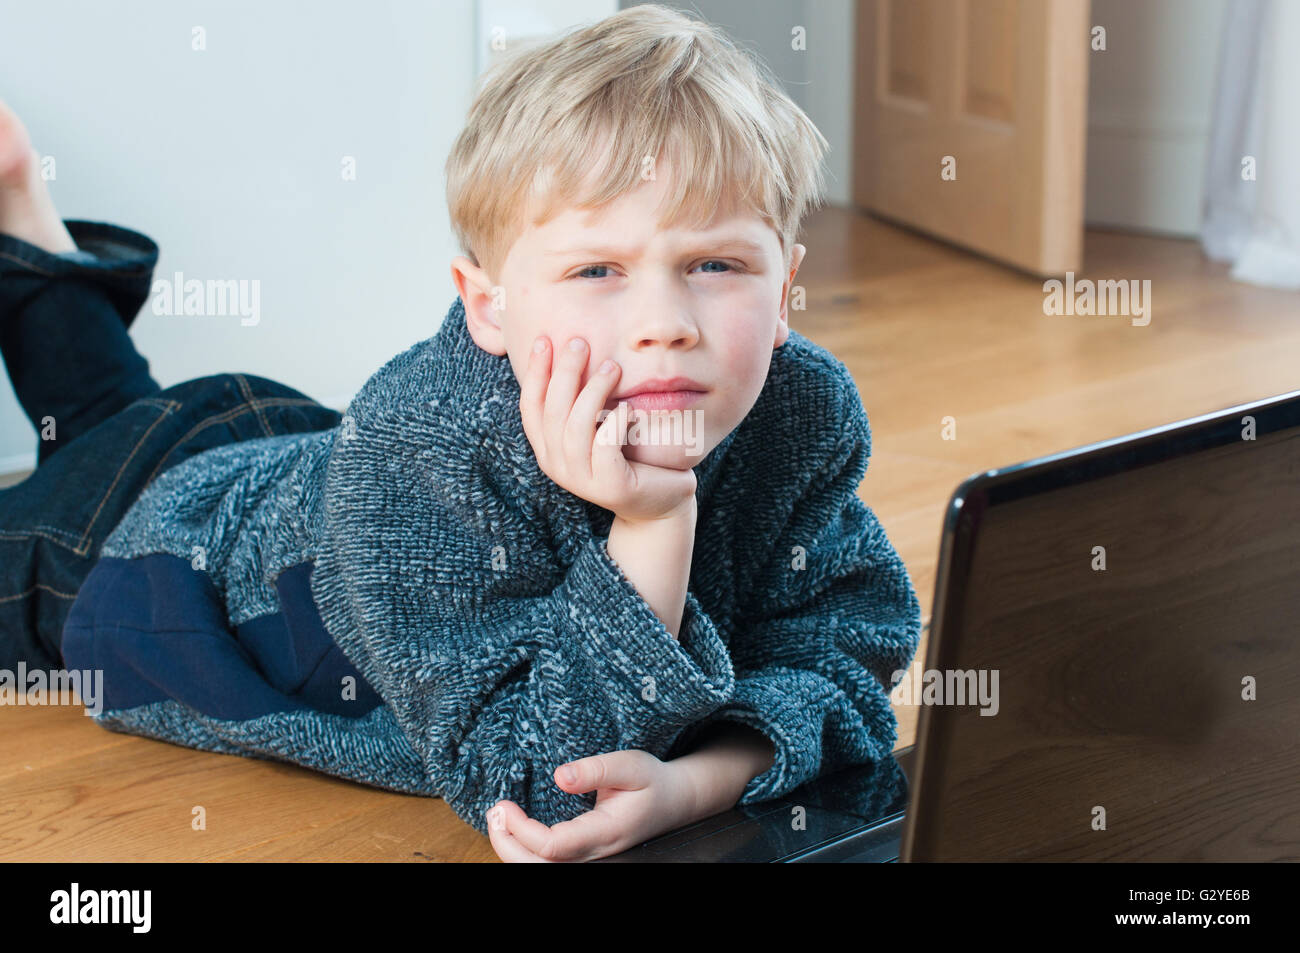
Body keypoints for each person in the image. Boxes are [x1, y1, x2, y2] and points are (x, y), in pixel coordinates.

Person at [0, 4, 922, 862]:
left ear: (787, 289)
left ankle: (19, 206)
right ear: (487, 304)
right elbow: (535, 784)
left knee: (106, 421)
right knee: (95, 464)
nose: (664, 322)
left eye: (715, 263)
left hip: (283, 451)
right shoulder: (418, 446)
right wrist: (651, 528)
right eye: (598, 269)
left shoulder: (799, 412)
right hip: (153, 550)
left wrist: (697, 781)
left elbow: (848, 653)